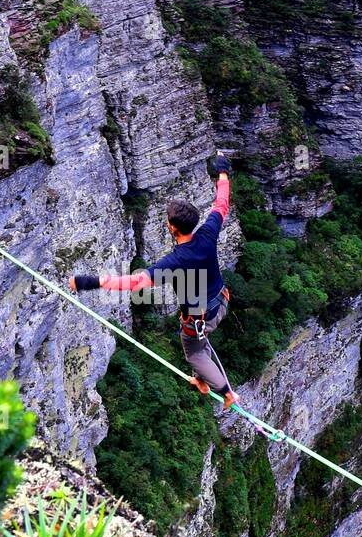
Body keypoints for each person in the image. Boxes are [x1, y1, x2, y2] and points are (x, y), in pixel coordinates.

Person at [71, 154, 238, 410]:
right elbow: (221, 205)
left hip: (199, 317)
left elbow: (136, 282)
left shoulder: (174, 261)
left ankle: (226, 393)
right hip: (221, 302)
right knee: (199, 341)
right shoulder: (207, 233)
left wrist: (90, 281)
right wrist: (223, 173)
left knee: (193, 351)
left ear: (172, 228)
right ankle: (203, 381)